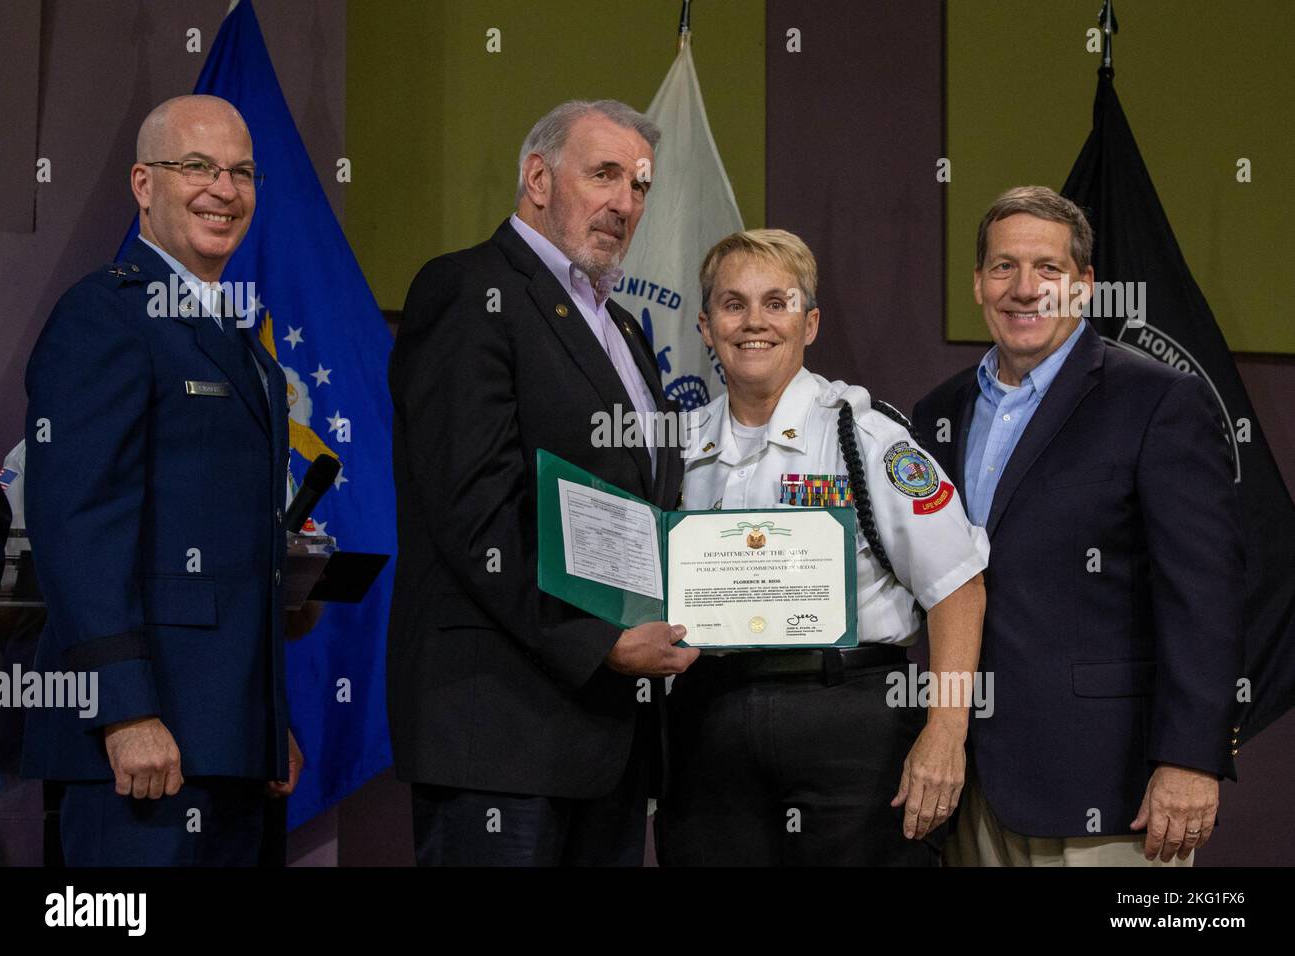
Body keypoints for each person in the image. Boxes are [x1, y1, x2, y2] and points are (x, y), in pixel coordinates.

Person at [388, 99, 697, 866]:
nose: (625, 202)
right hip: (500, 731)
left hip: (609, 738)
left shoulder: (622, 327)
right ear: (536, 177)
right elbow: (475, 514)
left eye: (640, 185)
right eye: (603, 175)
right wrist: (600, 643)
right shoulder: (469, 290)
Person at [913, 186, 1244, 866]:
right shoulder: (936, 413)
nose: (1025, 288)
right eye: (1004, 267)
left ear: (1086, 286)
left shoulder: (1158, 401)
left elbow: (1205, 595)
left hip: (1108, 789)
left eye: (1048, 269)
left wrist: (1190, 759)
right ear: (978, 282)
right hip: (968, 787)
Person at [22, 95, 302, 866]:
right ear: (145, 185)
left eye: (242, 172)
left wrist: (266, 718)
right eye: (198, 167)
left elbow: (243, 557)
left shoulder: (237, 337)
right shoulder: (103, 318)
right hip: (142, 748)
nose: (225, 189)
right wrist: (123, 713)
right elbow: (77, 528)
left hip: (227, 741)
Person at [654, 229, 988, 866]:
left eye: (776, 303)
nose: (754, 322)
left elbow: (958, 584)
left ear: (809, 324)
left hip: (851, 724)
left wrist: (946, 731)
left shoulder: (868, 438)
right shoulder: (675, 448)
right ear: (704, 325)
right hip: (707, 725)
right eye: (733, 304)